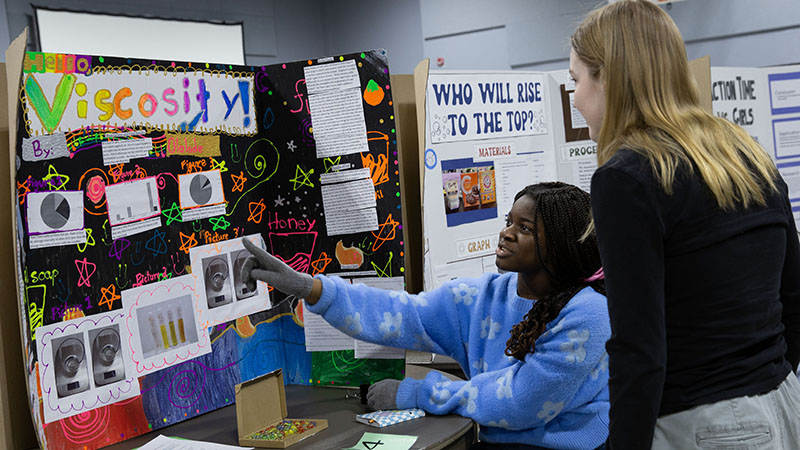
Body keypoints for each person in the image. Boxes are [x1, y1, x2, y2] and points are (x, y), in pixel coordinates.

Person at [569, 1, 800, 449]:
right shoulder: (742, 153)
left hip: (706, 425)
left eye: (576, 80)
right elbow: (794, 297)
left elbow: (639, 351)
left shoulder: (626, 177)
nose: (574, 97)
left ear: (608, 80)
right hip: (783, 406)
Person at [242, 182, 610, 450]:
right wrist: (312, 289)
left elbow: (518, 402)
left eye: (524, 228)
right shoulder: (484, 295)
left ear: (560, 244)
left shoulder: (588, 313)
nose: (506, 233)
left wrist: (415, 392)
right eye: (508, 221)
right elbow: (400, 315)